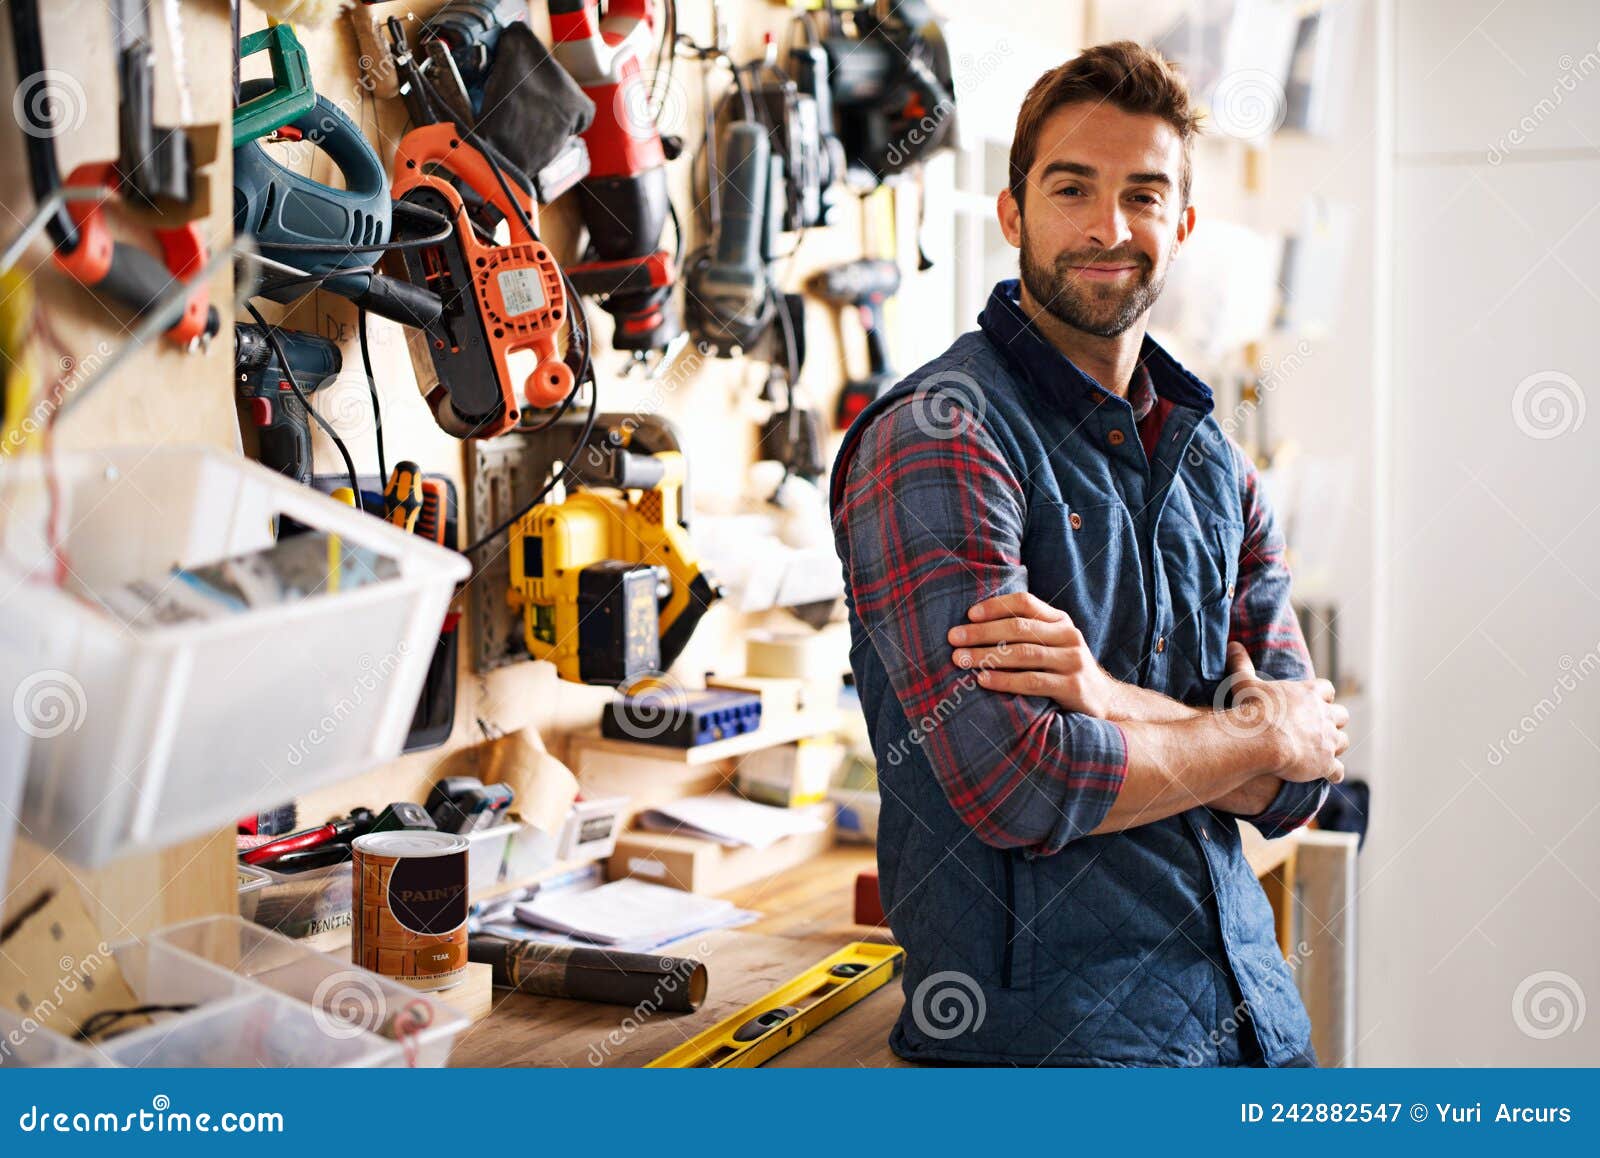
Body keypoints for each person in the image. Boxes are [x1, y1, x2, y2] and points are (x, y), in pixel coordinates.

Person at [829, 41, 1348, 1067]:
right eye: (1072, 188)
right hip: (1050, 1059)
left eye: (1143, 195)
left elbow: (1306, 783)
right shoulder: (940, 435)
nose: (1109, 228)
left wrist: (1104, 697)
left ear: (1182, 225)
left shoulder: (1212, 464)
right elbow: (1022, 783)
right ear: (1013, 213)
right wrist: (1251, 737)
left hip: (1254, 1030)